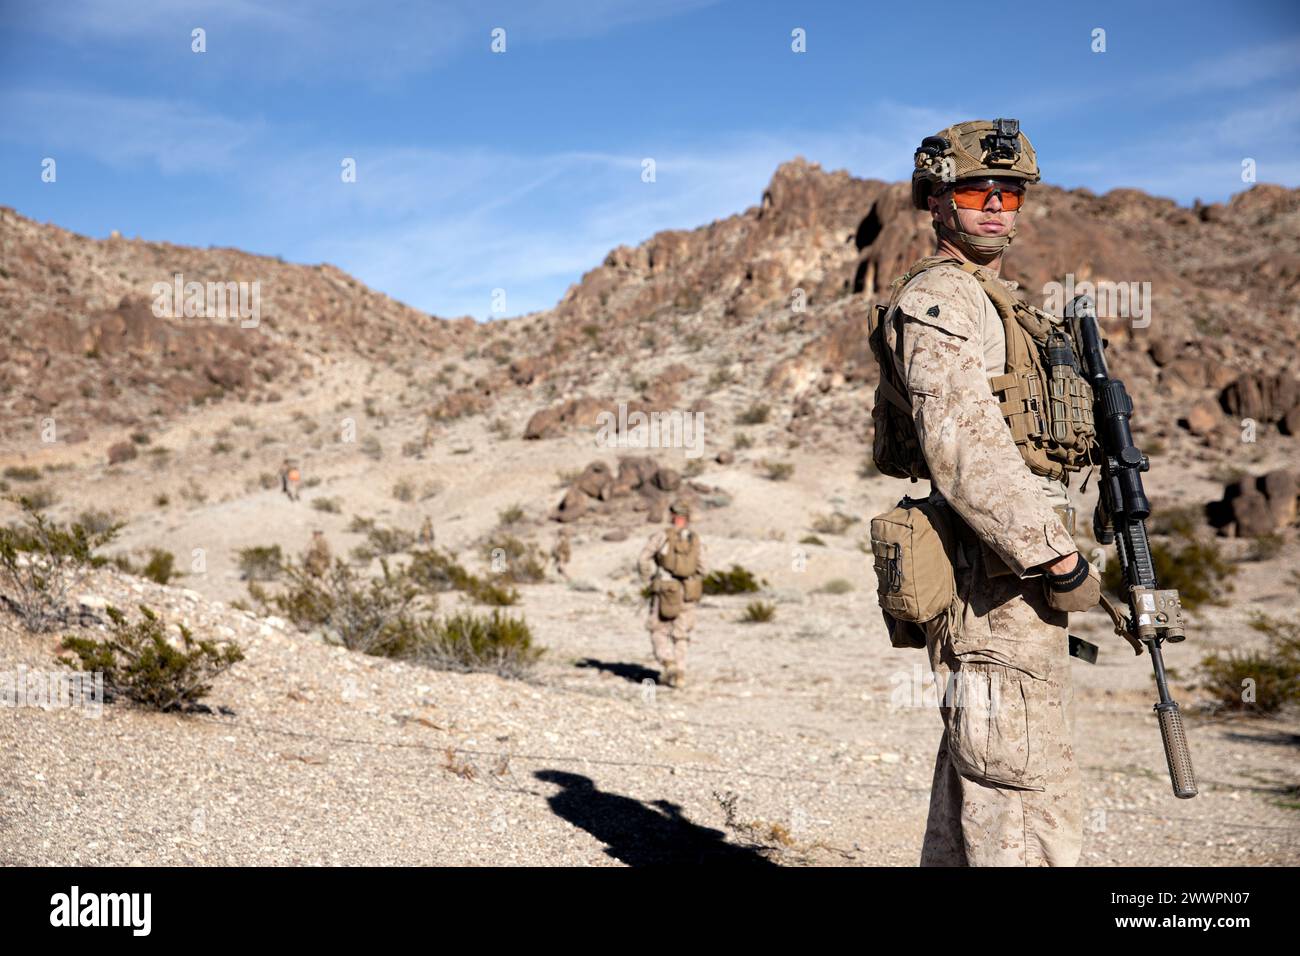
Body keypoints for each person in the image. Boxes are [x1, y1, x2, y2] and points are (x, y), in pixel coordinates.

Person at [875, 119, 1102, 866]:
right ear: (936, 199)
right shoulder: (941, 298)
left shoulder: (997, 300)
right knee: (1015, 780)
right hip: (995, 572)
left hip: (1016, 567)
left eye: (1012, 192)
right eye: (977, 188)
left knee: (987, 762)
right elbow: (963, 446)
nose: (997, 204)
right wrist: (1054, 557)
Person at [637, 499, 706, 688]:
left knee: (658, 629)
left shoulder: (662, 536)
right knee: (682, 633)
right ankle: (681, 672)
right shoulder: (695, 539)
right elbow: (703, 567)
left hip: (665, 589)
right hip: (689, 591)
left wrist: (649, 579)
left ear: (673, 515)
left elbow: (643, 558)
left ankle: (668, 663)